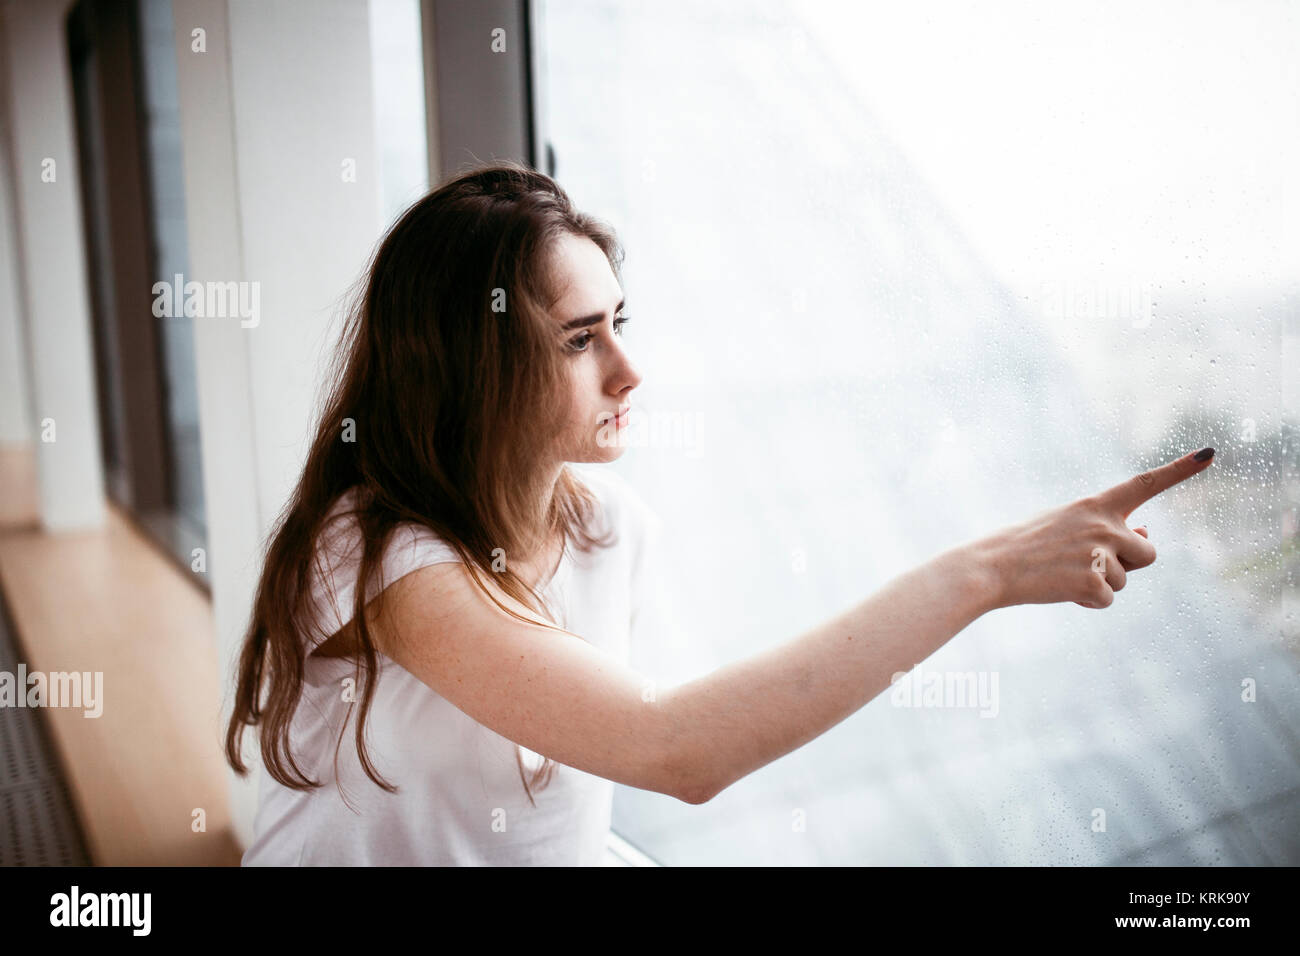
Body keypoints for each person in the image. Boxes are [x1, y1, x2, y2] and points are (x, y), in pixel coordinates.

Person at [226, 159, 1214, 865]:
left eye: (620, 322)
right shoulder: (382, 556)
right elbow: (672, 748)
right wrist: (988, 571)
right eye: (579, 339)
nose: (628, 367)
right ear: (470, 362)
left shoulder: (610, 527)